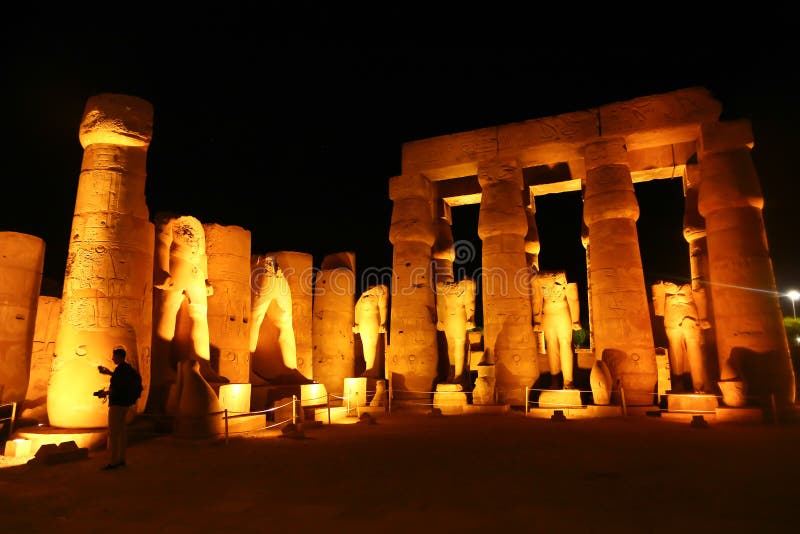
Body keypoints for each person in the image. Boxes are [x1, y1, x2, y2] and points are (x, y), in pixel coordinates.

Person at [532, 270, 582, 389]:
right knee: (551, 346)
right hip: (550, 314)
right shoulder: (538, 280)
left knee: (564, 344)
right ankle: (555, 381)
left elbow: (573, 299)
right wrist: (537, 320)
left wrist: (575, 320)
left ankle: (567, 381)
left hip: (562, 313)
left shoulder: (561, 277)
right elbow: (537, 299)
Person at [96, 347, 141, 470]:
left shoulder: (120, 370)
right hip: (125, 404)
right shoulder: (126, 369)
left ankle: (113, 461)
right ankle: (121, 458)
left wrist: (105, 394)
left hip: (117, 404)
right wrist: (109, 373)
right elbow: (121, 382)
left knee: (114, 433)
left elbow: (117, 387)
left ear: (120, 357)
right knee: (121, 432)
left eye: (114, 356)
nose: (112, 358)